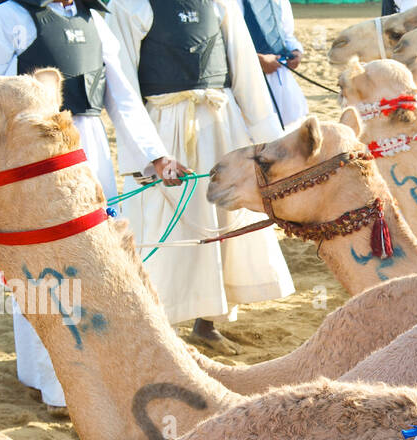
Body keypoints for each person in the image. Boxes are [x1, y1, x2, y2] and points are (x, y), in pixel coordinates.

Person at [0, 0, 186, 410]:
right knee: (40, 264)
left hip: (90, 154)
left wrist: (155, 155)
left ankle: (92, 374)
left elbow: (122, 96)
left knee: (93, 261)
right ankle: (48, 382)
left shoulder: (95, 20)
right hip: (31, 156)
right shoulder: (9, 18)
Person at [109, 0, 295, 351]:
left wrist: (269, 141)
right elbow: (123, 89)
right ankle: (157, 328)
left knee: (225, 223)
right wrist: (148, 155)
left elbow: (246, 73)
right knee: (166, 228)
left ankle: (206, 324)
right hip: (164, 129)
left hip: (222, 123)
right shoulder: (130, 5)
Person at [241, 0, 309, 131]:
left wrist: (296, 51)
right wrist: (257, 59)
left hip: (280, 76)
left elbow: (286, 35)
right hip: (248, 81)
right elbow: (227, 41)